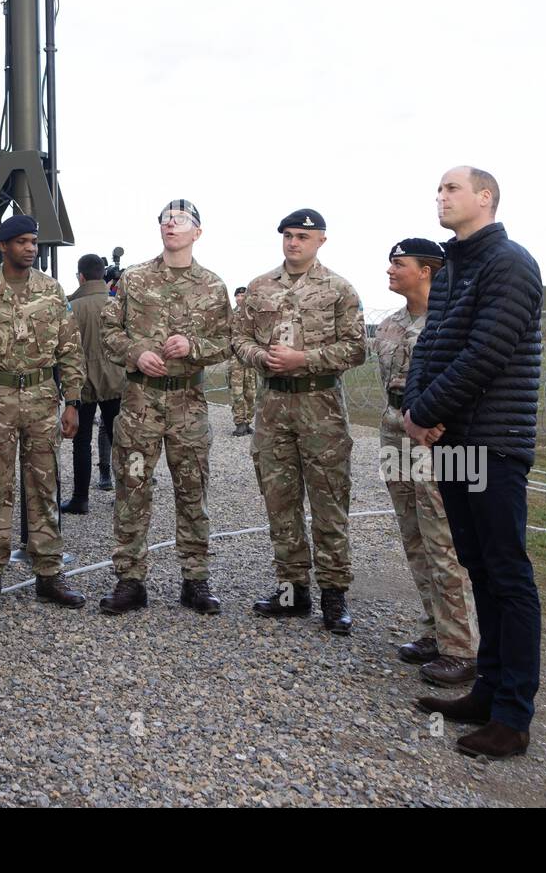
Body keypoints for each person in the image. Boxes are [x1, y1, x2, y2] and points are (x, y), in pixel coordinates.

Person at [403, 166, 543, 759]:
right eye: (437, 189)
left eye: (452, 188)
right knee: (478, 567)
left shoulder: (509, 262)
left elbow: (488, 350)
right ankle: (486, 693)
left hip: (494, 440)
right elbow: (431, 345)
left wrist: (426, 409)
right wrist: (415, 406)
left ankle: (513, 716)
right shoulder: (457, 266)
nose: (441, 196)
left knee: (507, 573)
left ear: (485, 197)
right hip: (455, 439)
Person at [234, 210, 365, 633]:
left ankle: (334, 593)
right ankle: (292, 589)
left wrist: (303, 359)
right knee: (280, 499)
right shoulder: (259, 287)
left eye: (302, 236)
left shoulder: (338, 289)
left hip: (320, 405)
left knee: (329, 500)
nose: (293, 243)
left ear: (320, 241)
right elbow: (239, 338)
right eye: (288, 236)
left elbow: (355, 349)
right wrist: (262, 357)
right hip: (273, 406)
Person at [99, 199, 231, 615]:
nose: (171, 225)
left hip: (188, 406)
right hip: (140, 405)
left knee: (192, 491)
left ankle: (195, 580)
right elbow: (108, 330)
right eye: (166, 220)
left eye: (181, 220)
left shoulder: (212, 285)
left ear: (198, 232)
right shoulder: (134, 279)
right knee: (133, 487)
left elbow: (229, 341)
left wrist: (195, 347)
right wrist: (136, 352)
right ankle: (130, 580)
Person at [0, 214, 86, 609]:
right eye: (22, 242)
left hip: (41, 398)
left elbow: (69, 349)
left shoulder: (51, 291)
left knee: (44, 488)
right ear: (3, 245)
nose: (31, 248)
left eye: (34, 241)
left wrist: (74, 402)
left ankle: (49, 574)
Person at [375, 238, 478, 685]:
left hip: (441, 438)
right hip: (396, 430)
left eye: (399, 264)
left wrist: (439, 420)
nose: (390, 271)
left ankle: (464, 647)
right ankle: (436, 631)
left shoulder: (456, 321)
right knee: (414, 535)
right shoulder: (390, 324)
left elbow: (469, 377)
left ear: (428, 271)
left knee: (445, 540)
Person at [63, 253, 126, 512]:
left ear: (80, 276)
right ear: (103, 275)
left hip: (82, 382)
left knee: (82, 441)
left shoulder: (71, 307)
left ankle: (80, 498)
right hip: (116, 381)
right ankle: (127, 495)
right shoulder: (117, 304)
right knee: (121, 440)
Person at [227, 287, 257, 435]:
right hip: (235, 359)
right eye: (238, 295)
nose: (240, 298)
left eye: (243, 295)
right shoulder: (230, 315)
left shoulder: (252, 315)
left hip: (250, 359)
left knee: (251, 392)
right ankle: (239, 422)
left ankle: (248, 421)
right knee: (237, 392)